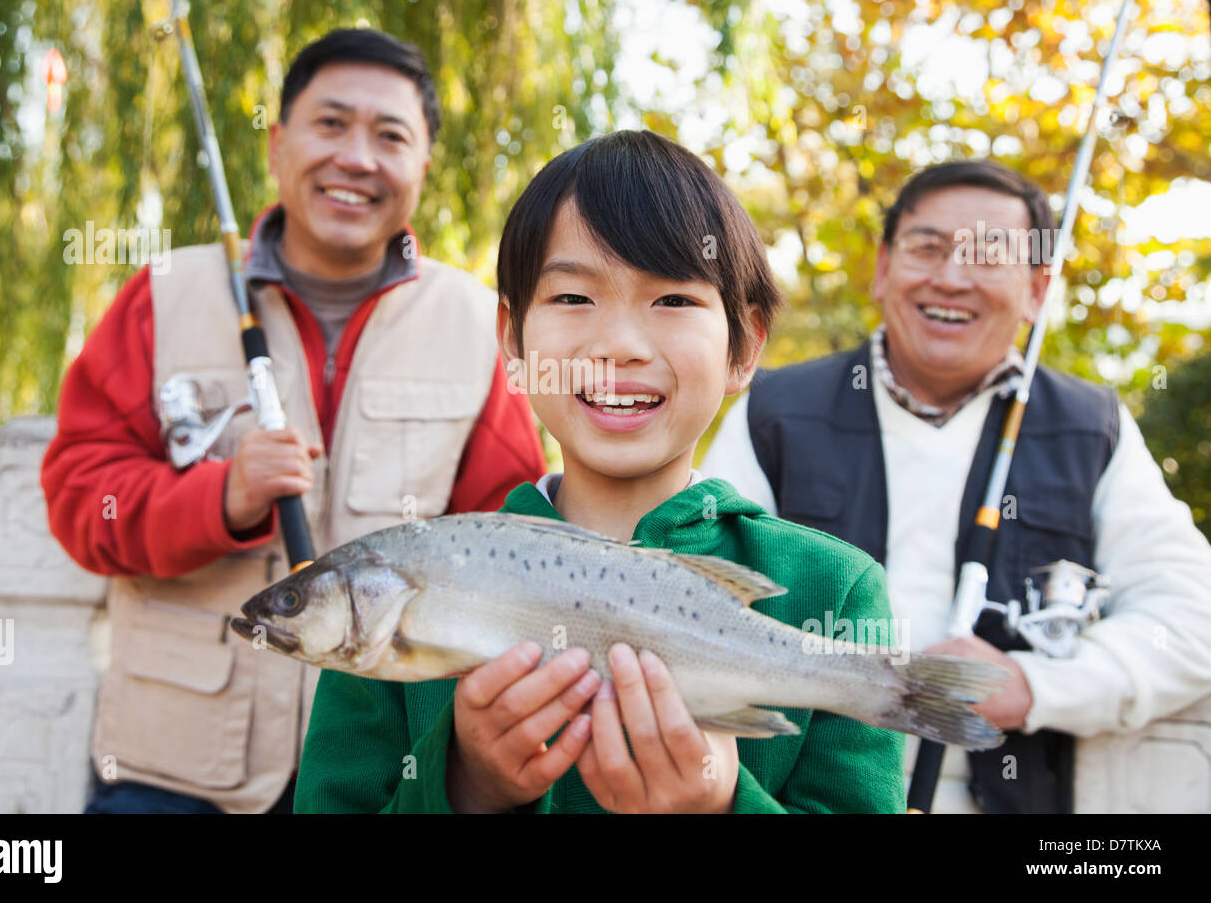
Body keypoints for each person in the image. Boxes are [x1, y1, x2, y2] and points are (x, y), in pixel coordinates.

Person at [294, 130, 910, 813]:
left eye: (674, 300)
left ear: (746, 346)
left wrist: (721, 804)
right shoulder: (388, 590)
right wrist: (467, 786)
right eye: (573, 299)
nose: (619, 345)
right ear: (512, 339)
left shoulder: (837, 593)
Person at [41, 28, 546, 813]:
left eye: (391, 136)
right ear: (278, 142)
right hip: (170, 776)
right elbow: (81, 500)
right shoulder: (166, 295)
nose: (356, 157)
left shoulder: (480, 325)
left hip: (378, 776)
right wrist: (219, 501)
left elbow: (515, 545)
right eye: (331, 124)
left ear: (422, 165)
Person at [702, 160, 1211, 813]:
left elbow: (1192, 617)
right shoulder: (775, 410)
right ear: (884, 268)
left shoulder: (1092, 428)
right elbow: (701, 595)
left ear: (1036, 289)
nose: (951, 277)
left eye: (989, 255)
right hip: (810, 798)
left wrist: (1036, 685)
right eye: (928, 247)